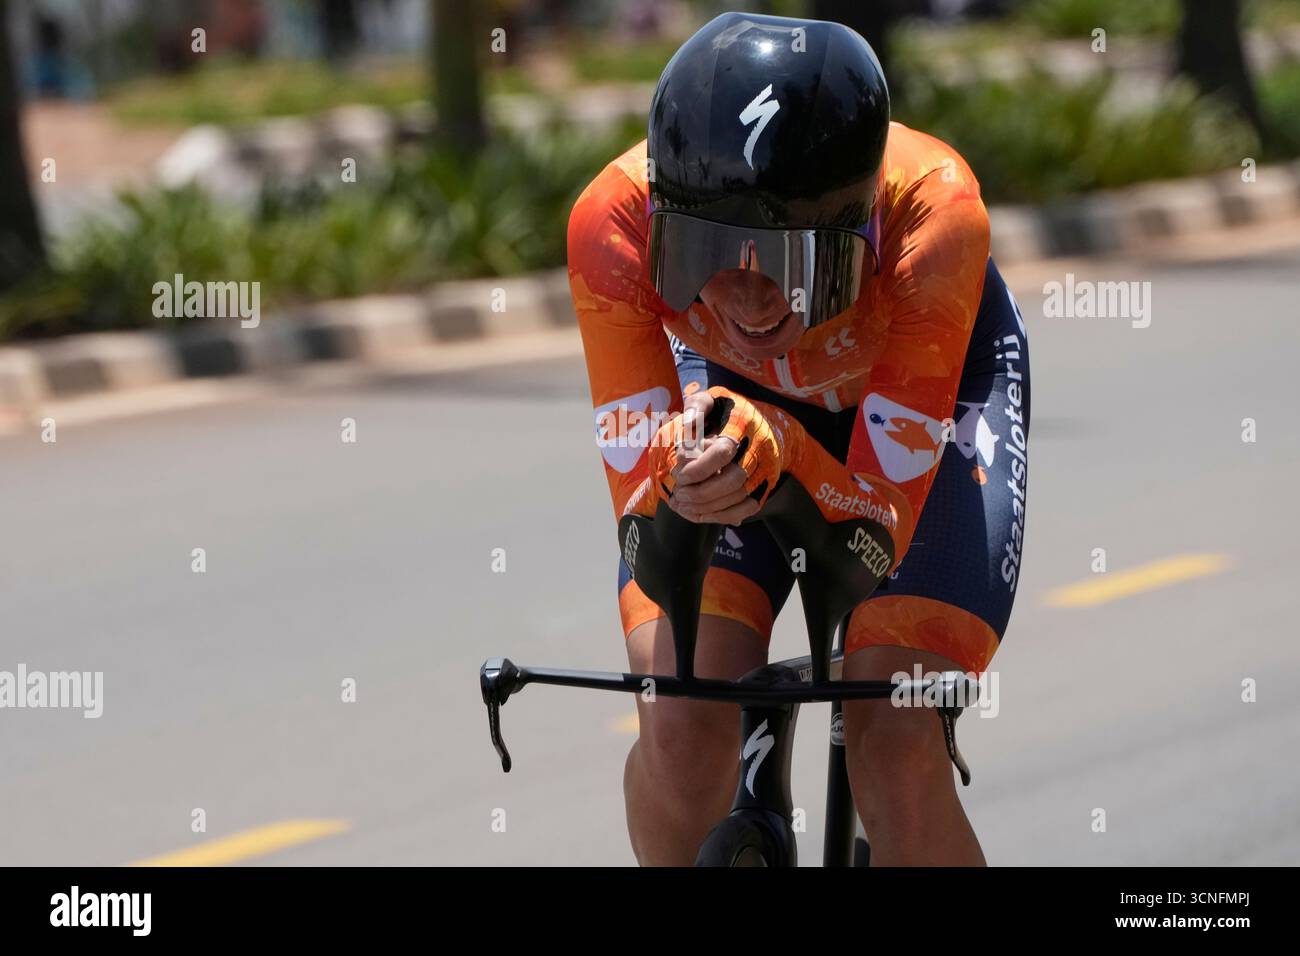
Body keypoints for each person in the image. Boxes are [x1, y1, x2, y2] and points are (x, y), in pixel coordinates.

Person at [567, 11, 1030, 866]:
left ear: (862, 236)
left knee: (893, 742)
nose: (748, 304)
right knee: (678, 729)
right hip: (737, 416)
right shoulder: (614, 225)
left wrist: (777, 439)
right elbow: (644, 525)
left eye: (791, 265)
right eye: (708, 252)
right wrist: (676, 466)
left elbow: (870, 537)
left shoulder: (935, 214)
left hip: (924, 408)